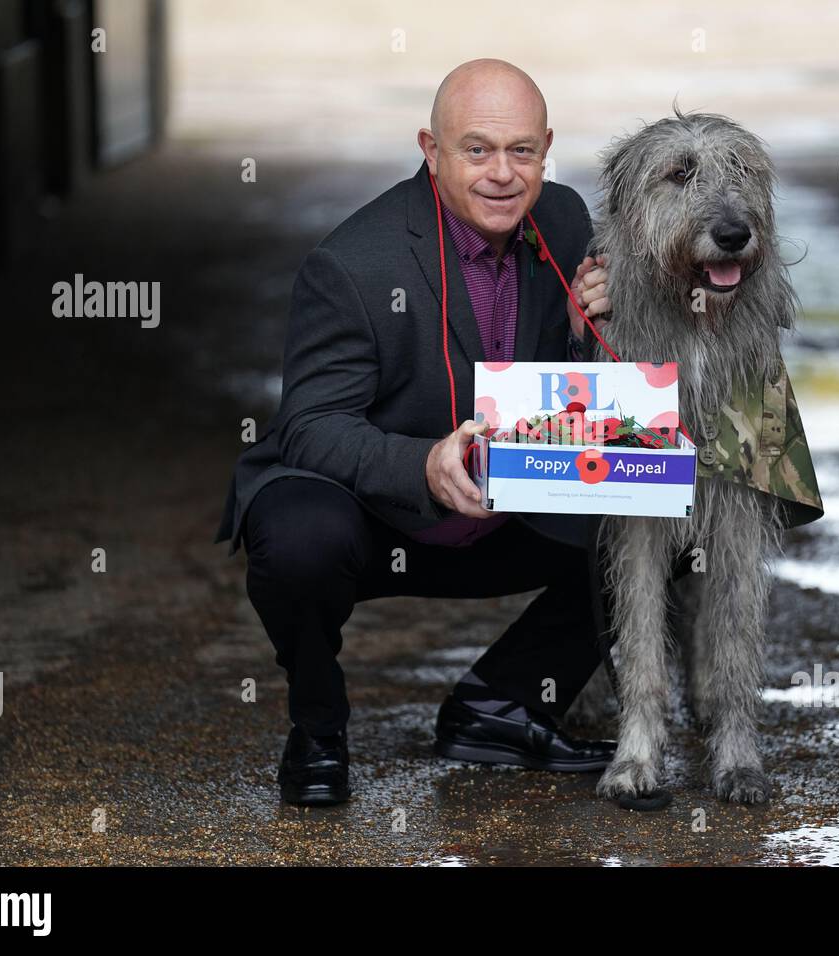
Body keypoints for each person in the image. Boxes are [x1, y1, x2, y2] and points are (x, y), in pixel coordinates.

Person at [214, 59, 616, 805]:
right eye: (477, 150)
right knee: (296, 533)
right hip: (380, 521)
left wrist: (585, 333)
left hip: (509, 510)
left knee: (677, 513)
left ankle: (502, 705)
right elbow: (309, 426)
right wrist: (424, 465)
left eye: (522, 151)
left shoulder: (561, 220)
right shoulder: (353, 263)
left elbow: (565, 398)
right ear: (430, 150)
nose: (502, 174)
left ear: (547, 148)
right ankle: (318, 730)